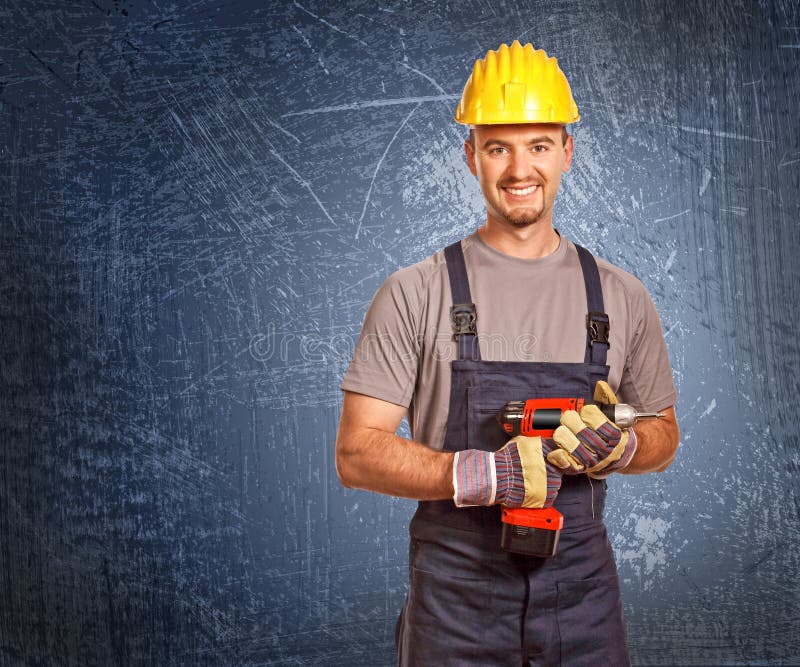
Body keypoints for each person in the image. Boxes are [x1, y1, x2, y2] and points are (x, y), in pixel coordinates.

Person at [335, 40, 680, 666]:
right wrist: (476, 474)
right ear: (472, 156)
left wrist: (626, 446)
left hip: (583, 599)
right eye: (499, 147)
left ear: (568, 152)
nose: (521, 169)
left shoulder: (621, 296)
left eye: (539, 145)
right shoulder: (416, 291)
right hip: (455, 602)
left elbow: (663, 433)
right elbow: (357, 454)